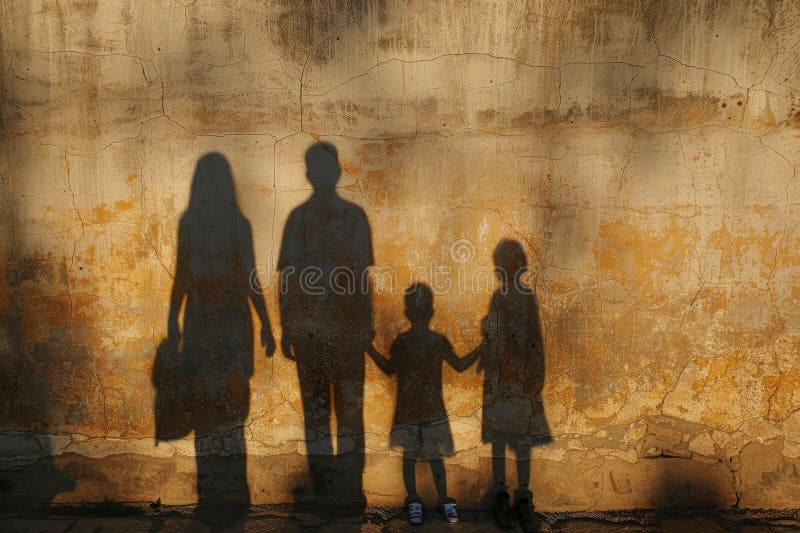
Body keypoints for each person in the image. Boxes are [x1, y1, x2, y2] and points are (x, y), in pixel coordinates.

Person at [166, 152, 275, 523]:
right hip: (232, 325)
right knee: (233, 412)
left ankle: (209, 497)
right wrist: (265, 324)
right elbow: (250, 277)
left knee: (206, 412)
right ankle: (233, 497)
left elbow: (181, 275)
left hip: (200, 323)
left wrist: (172, 320)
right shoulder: (238, 223)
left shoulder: (189, 223)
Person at [277, 142, 373, 507]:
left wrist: (288, 326)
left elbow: (288, 278)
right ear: (336, 172)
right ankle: (347, 491)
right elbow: (363, 279)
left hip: (315, 332)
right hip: (338, 332)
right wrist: (365, 326)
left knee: (319, 412)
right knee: (347, 411)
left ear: (310, 174)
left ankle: (328, 490)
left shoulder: (299, 219)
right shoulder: (354, 217)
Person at [367, 283, 478, 525]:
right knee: (430, 457)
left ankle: (418, 500)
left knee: (413, 457)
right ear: (432, 312)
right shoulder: (435, 341)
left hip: (417, 411)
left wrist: (368, 348)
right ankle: (429, 501)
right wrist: (482, 349)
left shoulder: (407, 342)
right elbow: (460, 366)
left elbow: (387, 368)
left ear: (408, 313)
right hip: (428, 410)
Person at [467, 239, 550, 532]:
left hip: (522, 375)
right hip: (499, 376)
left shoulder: (527, 297)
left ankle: (524, 499)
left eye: (510, 261)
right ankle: (501, 496)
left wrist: (535, 377)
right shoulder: (497, 297)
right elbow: (493, 334)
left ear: (520, 265)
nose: (504, 267)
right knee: (500, 438)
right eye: (502, 261)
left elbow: (535, 337)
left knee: (524, 441)